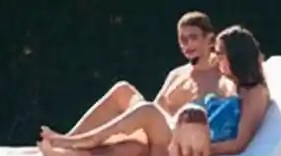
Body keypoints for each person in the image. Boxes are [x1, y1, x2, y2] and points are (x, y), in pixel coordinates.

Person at [38, 25, 271, 156]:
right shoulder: (230, 83)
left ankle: (78, 142)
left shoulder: (255, 93)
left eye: (220, 54)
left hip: (193, 146)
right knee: (123, 92)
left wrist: (200, 150)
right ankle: (68, 146)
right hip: (180, 134)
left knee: (147, 112)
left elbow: (239, 143)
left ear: (236, 57)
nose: (215, 58)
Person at [36, 11, 228, 148]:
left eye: (193, 38)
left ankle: (83, 141)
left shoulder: (221, 75)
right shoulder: (177, 74)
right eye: (182, 40)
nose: (187, 45)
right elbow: (157, 107)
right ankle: (70, 138)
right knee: (123, 89)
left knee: (147, 111)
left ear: (210, 39)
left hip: (177, 140)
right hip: (156, 128)